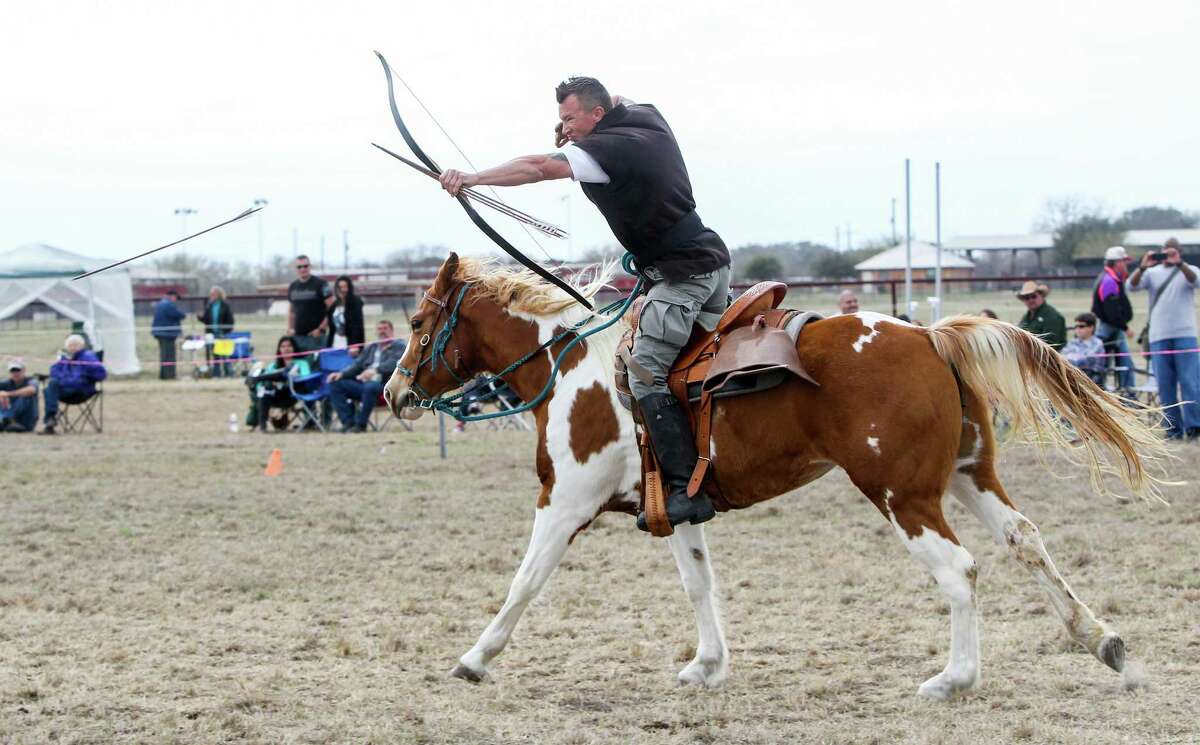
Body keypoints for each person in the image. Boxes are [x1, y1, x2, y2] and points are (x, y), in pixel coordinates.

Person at [438, 76, 730, 532]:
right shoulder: (645, 115)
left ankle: (684, 489)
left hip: (682, 277)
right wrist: (576, 131)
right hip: (708, 263)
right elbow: (615, 99)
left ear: (596, 115)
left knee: (645, 369)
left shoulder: (606, 151)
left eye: (570, 118)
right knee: (684, 366)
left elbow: (537, 167)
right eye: (561, 120)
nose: (565, 127)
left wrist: (472, 178)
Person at [1126, 238, 1200, 440]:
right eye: (1165, 252)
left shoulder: (1188, 269)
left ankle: (1194, 426)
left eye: (1172, 252)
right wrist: (1142, 267)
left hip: (1185, 335)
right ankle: (1173, 429)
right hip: (1159, 336)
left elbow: (1196, 281)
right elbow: (1131, 287)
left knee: (1190, 383)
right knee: (1165, 385)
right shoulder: (1151, 273)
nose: (1168, 256)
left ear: (1179, 252)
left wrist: (1180, 264)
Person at [327, 320, 405, 432]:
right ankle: (348, 422)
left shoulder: (400, 346)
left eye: (385, 329)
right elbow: (357, 365)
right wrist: (341, 374)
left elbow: (395, 363)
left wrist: (375, 370)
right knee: (335, 384)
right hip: (364, 385)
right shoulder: (372, 347)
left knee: (370, 387)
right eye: (379, 329)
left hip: (386, 387)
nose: (382, 331)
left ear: (392, 331)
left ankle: (361, 425)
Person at [41, 334, 107, 435]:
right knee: (50, 386)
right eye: (70, 345)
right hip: (65, 390)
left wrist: (89, 370)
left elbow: (101, 374)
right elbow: (54, 372)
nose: (73, 348)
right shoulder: (64, 358)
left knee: (51, 387)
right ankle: (50, 420)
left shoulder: (88, 357)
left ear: (82, 346)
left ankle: (50, 419)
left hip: (82, 391)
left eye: (76, 345)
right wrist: (63, 372)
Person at [1092, 246, 1136, 392]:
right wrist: (1125, 327)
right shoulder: (1109, 281)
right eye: (1124, 261)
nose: (1126, 264)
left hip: (1112, 327)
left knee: (1119, 364)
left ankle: (1125, 392)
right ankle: (1127, 394)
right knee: (1110, 365)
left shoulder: (1110, 278)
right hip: (1111, 328)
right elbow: (1111, 311)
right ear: (1117, 262)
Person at [245, 336, 312, 432]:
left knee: (285, 373)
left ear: (294, 348)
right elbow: (262, 386)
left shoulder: (302, 363)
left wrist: (291, 376)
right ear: (279, 350)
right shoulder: (273, 366)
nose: (286, 349)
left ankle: (258, 378)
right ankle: (263, 426)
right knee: (265, 388)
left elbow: (306, 377)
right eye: (283, 347)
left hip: (292, 394)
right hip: (274, 395)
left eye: (289, 346)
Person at [287, 255, 333, 353]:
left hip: (316, 337)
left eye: (305, 266)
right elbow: (291, 311)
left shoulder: (321, 284)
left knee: (317, 367)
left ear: (310, 266)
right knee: (300, 366)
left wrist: (321, 329)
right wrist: (290, 328)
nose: (303, 269)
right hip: (297, 337)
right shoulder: (293, 286)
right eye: (299, 267)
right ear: (296, 269)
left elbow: (332, 309)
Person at [1016, 281, 1066, 351]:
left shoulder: (1052, 316)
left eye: (1033, 296)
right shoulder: (1026, 317)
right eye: (1027, 298)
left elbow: (1051, 345)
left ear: (1041, 296)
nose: (1030, 300)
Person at [197, 285, 235, 378]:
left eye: (213, 294)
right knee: (215, 355)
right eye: (211, 294)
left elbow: (230, 321)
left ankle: (228, 374)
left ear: (218, 294)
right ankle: (216, 374)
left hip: (222, 334)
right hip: (211, 334)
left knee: (225, 355)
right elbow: (206, 320)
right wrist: (200, 318)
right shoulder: (209, 305)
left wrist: (226, 331)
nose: (211, 296)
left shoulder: (225, 305)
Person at [1062, 313, 1106, 385]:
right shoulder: (1073, 342)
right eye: (1076, 326)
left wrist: (1068, 360)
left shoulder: (1097, 344)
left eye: (1081, 326)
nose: (1077, 329)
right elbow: (1062, 357)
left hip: (1090, 382)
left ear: (1091, 327)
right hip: (1072, 378)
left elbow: (1083, 361)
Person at [151, 289, 186, 379]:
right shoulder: (168, 304)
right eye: (176, 298)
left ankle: (164, 375)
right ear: (172, 296)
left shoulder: (161, 303)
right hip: (167, 334)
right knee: (169, 356)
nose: (176, 300)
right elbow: (179, 314)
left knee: (164, 355)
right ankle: (170, 375)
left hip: (161, 333)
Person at [326, 275, 365, 353]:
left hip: (350, 345)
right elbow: (331, 327)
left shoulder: (356, 302)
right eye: (340, 287)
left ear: (349, 288)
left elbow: (357, 326)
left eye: (345, 287)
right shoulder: (334, 305)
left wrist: (355, 345)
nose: (342, 290)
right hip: (335, 342)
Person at [0, 360, 39, 433]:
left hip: (26, 421)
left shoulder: (31, 381)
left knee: (26, 396)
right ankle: (7, 421)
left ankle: (8, 420)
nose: (15, 373)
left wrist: (7, 394)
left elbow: (31, 390)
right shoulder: (6, 383)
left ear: (24, 371)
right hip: (11, 419)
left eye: (17, 370)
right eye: (12, 370)